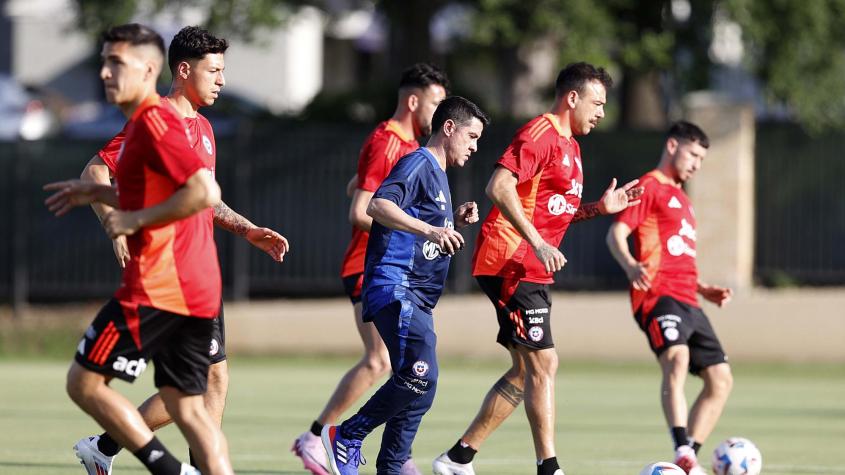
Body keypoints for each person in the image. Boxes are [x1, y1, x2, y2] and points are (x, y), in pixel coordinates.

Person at [72, 25, 289, 475]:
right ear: (184, 70)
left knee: (211, 380)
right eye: (215, 70)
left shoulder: (204, 127)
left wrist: (247, 229)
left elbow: (202, 198)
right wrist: (117, 230)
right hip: (163, 277)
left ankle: (112, 450)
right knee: (120, 386)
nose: (222, 80)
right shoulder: (156, 120)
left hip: (196, 275)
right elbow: (97, 172)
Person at [432, 62, 643, 475]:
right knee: (544, 364)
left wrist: (600, 209)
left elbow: (555, 214)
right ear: (572, 98)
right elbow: (498, 186)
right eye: (597, 103)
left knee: (525, 369)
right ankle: (550, 468)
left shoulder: (573, 148)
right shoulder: (540, 134)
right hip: (509, 260)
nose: (601, 112)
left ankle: (458, 459)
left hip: (531, 266)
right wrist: (538, 243)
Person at [44, 23, 235, 475]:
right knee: (190, 404)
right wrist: (103, 197)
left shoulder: (155, 122)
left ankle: (154, 465)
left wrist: (127, 221)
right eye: (105, 61)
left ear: (150, 69)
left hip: (163, 285)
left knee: (83, 383)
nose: (106, 73)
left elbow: (203, 193)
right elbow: (156, 191)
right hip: (194, 284)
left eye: (116, 63)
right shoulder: (158, 122)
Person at [292, 63, 448, 475]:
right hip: (374, 267)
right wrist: (422, 230)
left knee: (405, 367)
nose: (439, 114)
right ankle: (319, 437)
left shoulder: (407, 147)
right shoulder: (389, 141)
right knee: (385, 362)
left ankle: (395, 457)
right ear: (414, 101)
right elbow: (361, 209)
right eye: (435, 103)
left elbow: (356, 184)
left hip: (396, 270)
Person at [321, 96, 489, 475]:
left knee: (420, 388)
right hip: (396, 289)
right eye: (472, 136)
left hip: (418, 298)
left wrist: (452, 222)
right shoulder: (419, 162)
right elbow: (378, 206)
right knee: (420, 375)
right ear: (449, 128)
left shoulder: (439, 174)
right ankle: (347, 435)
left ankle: (392, 466)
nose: (475, 146)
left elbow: (417, 229)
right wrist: (432, 227)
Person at [605, 121, 733, 475]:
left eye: (702, 159)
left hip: (689, 299)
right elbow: (616, 233)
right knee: (677, 359)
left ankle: (689, 454)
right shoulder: (650, 186)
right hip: (657, 295)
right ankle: (682, 449)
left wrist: (703, 287)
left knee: (721, 379)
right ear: (673, 146)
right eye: (693, 154)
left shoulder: (684, 199)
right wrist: (631, 266)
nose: (696, 164)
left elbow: (678, 256)